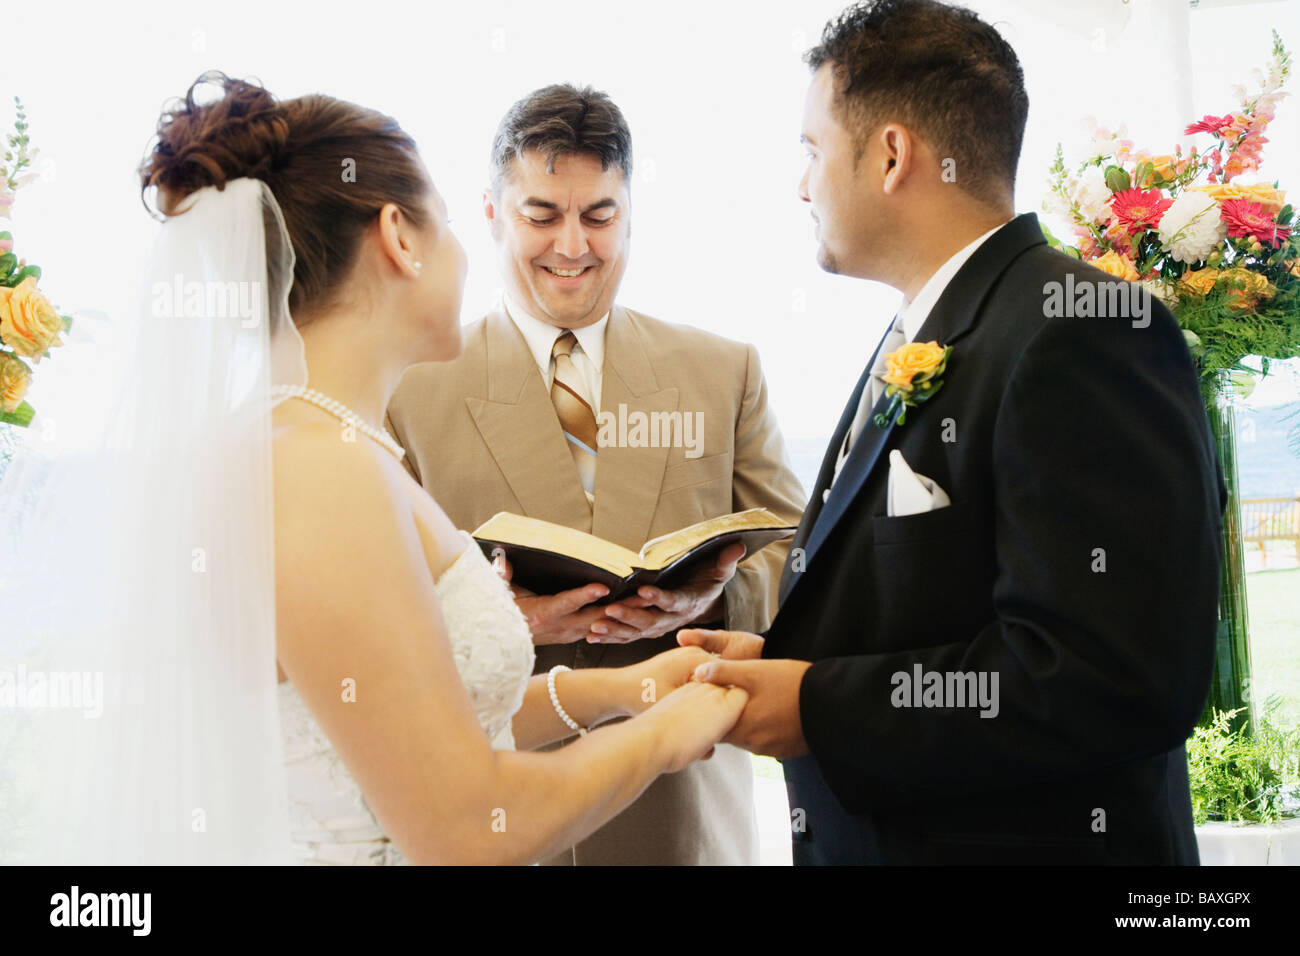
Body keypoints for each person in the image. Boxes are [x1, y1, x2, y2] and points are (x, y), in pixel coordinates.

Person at [0, 71, 747, 866]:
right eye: (452, 223)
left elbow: (405, 728)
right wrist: (663, 738)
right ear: (398, 234)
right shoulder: (320, 473)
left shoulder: (322, 443)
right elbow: (467, 826)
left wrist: (624, 690)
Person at [682, 0, 1224, 865]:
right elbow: (938, 599)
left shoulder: (1083, 330)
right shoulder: (932, 329)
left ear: (892, 154)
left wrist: (820, 703)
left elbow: (1111, 678)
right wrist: (786, 660)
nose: (801, 184)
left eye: (812, 151)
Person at [385, 84, 807, 865]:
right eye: (541, 215)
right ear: (490, 212)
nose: (572, 246)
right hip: (502, 814)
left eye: (600, 216)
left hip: (685, 820)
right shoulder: (408, 390)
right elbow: (370, 611)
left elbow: (802, 562)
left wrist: (715, 593)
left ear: (631, 213)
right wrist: (497, 617)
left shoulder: (725, 372)